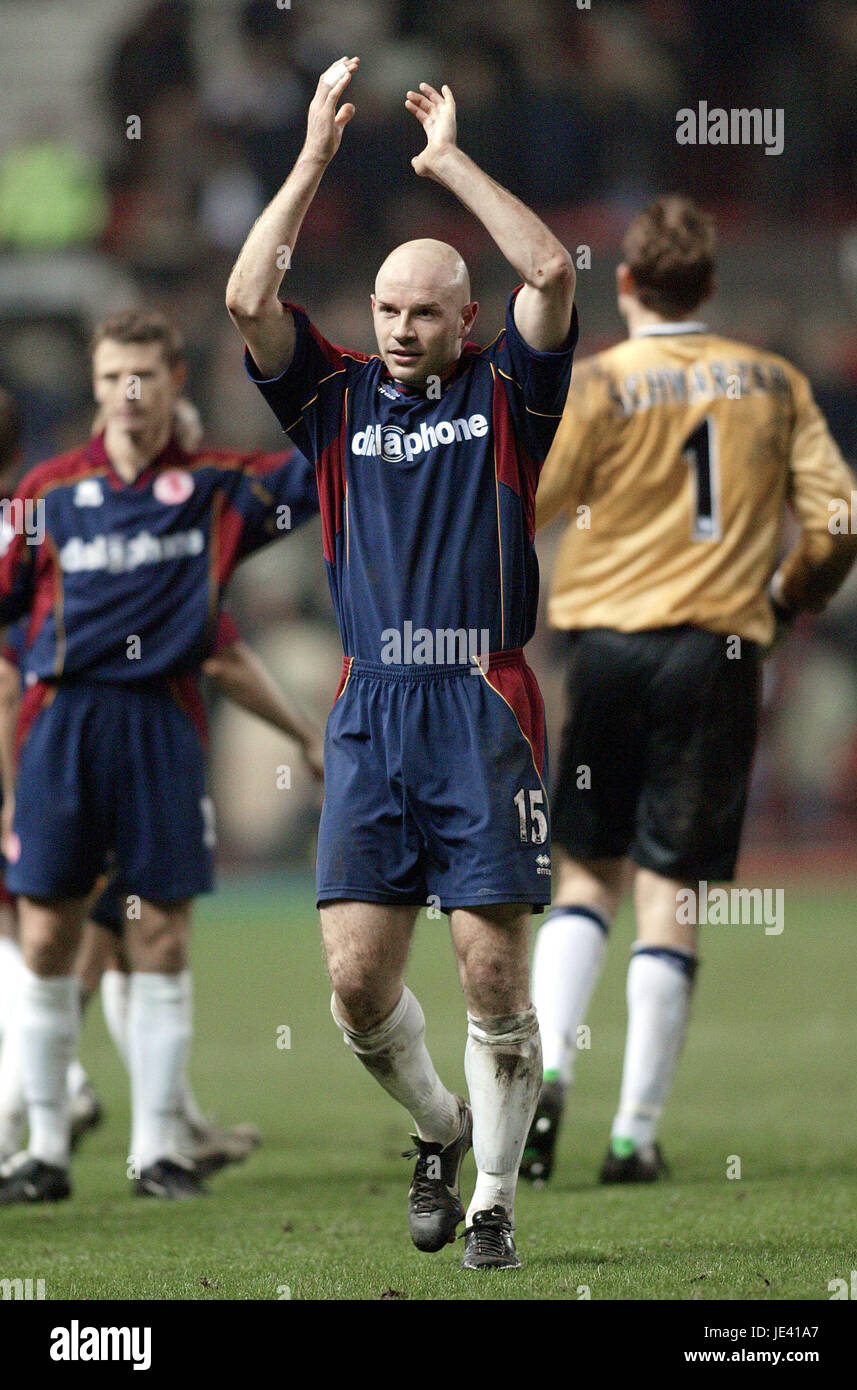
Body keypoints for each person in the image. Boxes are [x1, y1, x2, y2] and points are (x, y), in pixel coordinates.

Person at [227, 56, 577, 1268]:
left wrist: (446, 165)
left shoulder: (511, 394)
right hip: (370, 703)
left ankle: (493, 1203)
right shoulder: (334, 400)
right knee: (355, 985)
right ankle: (439, 1127)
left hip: (482, 699)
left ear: (463, 321)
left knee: (490, 972)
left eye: (423, 312)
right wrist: (313, 158)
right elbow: (246, 296)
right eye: (385, 309)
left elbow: (550, 271)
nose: (399, 328)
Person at [520, 194, 857, 1185]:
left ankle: (543, 1075)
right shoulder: (770, 381)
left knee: (586, 873)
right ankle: (633, 1135)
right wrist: (788, 596)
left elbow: (522, 502)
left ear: (625, 283)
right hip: (716, 652)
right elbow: (842, 517)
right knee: (669, 886)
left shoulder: (597, 382)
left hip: (605, 648)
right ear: (709, 286)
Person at [0, 308, 319, 1204]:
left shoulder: (221, 487)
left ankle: (157, 1153)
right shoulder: (47, 491)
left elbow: (326, 459)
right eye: (111, 377)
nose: (127, 394)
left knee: (161, 935)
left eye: (143, 375)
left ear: (176, 380)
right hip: (62, 726)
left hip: (162, 725)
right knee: (48, 935)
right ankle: (44, 1152)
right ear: (95, 385)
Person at [0, 603, 324, 1170]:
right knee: (93, 953)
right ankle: (34, 1124)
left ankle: (166, 1126)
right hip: (101, 759)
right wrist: (304, 735)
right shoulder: (155, 570)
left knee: (105, 949)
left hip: (55, 760)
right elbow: (224, 658)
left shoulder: (48, 567)